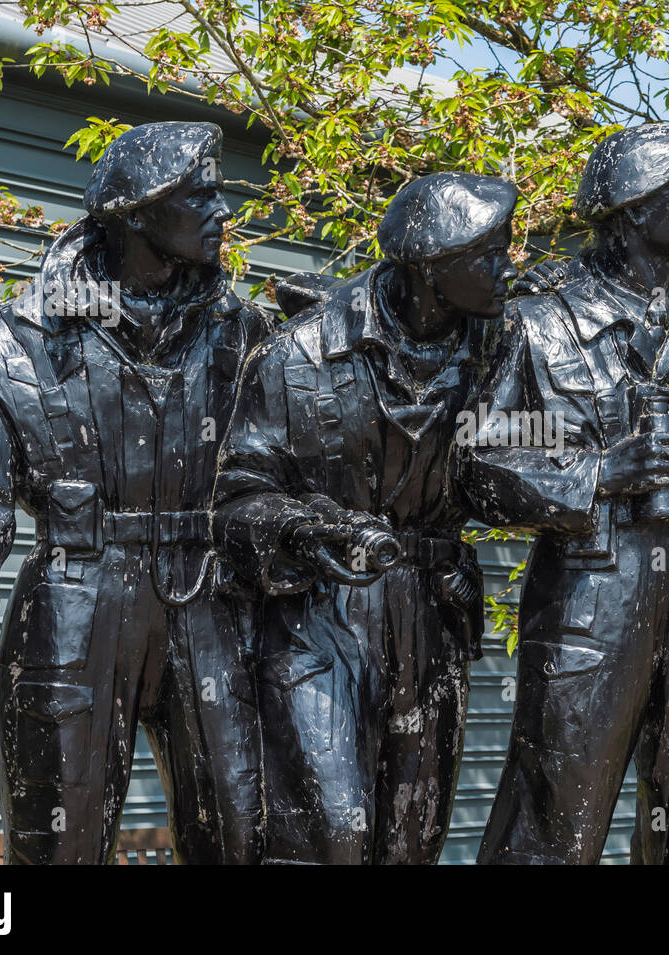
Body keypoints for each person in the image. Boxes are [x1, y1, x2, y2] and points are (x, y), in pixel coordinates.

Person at [0, 122, 273, 863]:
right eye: (198, 194)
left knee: (242, 834)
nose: (222, 211)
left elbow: (284, 468)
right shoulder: (25, 333)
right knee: (59, 841)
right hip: (72, 602)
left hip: (209, 600)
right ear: (137, 213)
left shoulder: (246, 333)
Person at [460, 123, 669, 864]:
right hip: (592, 596)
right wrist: (600, 473)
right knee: (554, 815)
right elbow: (476, 461)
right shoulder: (540, 323)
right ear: (637, 209)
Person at [213, 171, 517, 864]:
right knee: (331, 832)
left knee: (412, 838)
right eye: (490, 253)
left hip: (433, 613)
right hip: (320, 613)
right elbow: (235, 498)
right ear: (433, 269)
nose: (508, 267)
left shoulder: (502, 351)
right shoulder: (301, 354)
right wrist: (300, 530)